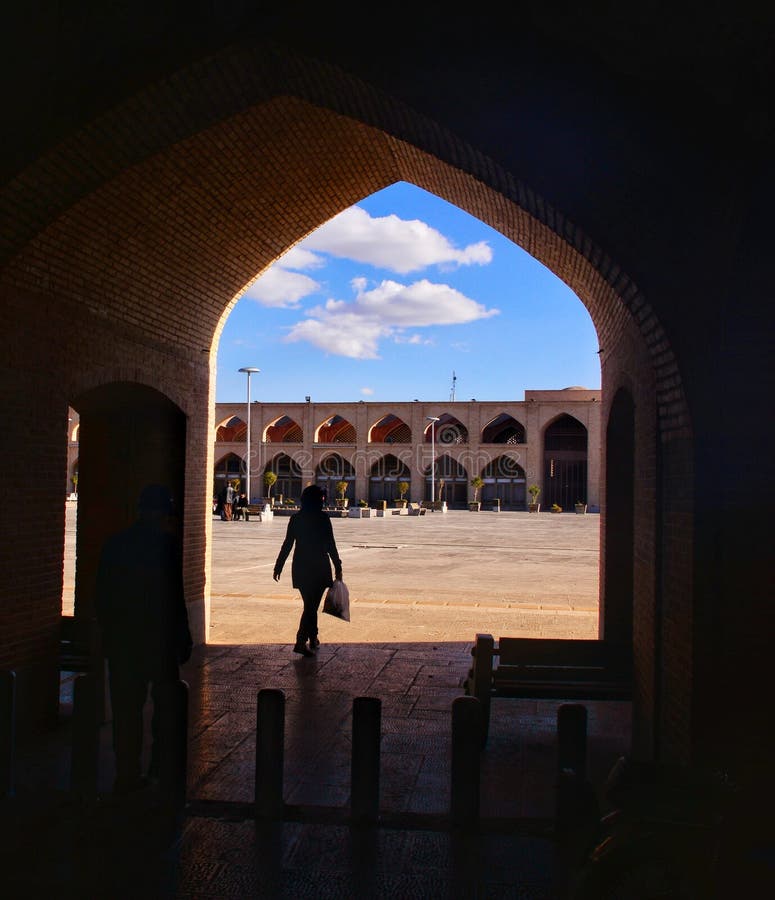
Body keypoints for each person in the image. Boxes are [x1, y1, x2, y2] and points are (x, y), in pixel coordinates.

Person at [95, 483, 193, 794]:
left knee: (126, 711)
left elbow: (102, 596)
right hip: (158, 639)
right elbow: (174, 596)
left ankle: (126, 774)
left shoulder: (115, 544)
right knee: (164, 708)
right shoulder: (165, 545)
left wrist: (110, 636)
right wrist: (183, 636)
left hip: (124, 641)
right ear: (165, 512)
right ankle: (159, 768)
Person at [273, 484, 343, 657]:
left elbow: (288, 544)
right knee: (311, 606)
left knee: (310, 605)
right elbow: (330, 545)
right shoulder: (323, 519)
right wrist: (338, 566)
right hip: (319, 566)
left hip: (301, 567)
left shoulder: (296, 519)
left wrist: (279, 565)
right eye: (322, 498)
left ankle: (313, 637)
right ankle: (300, 641)